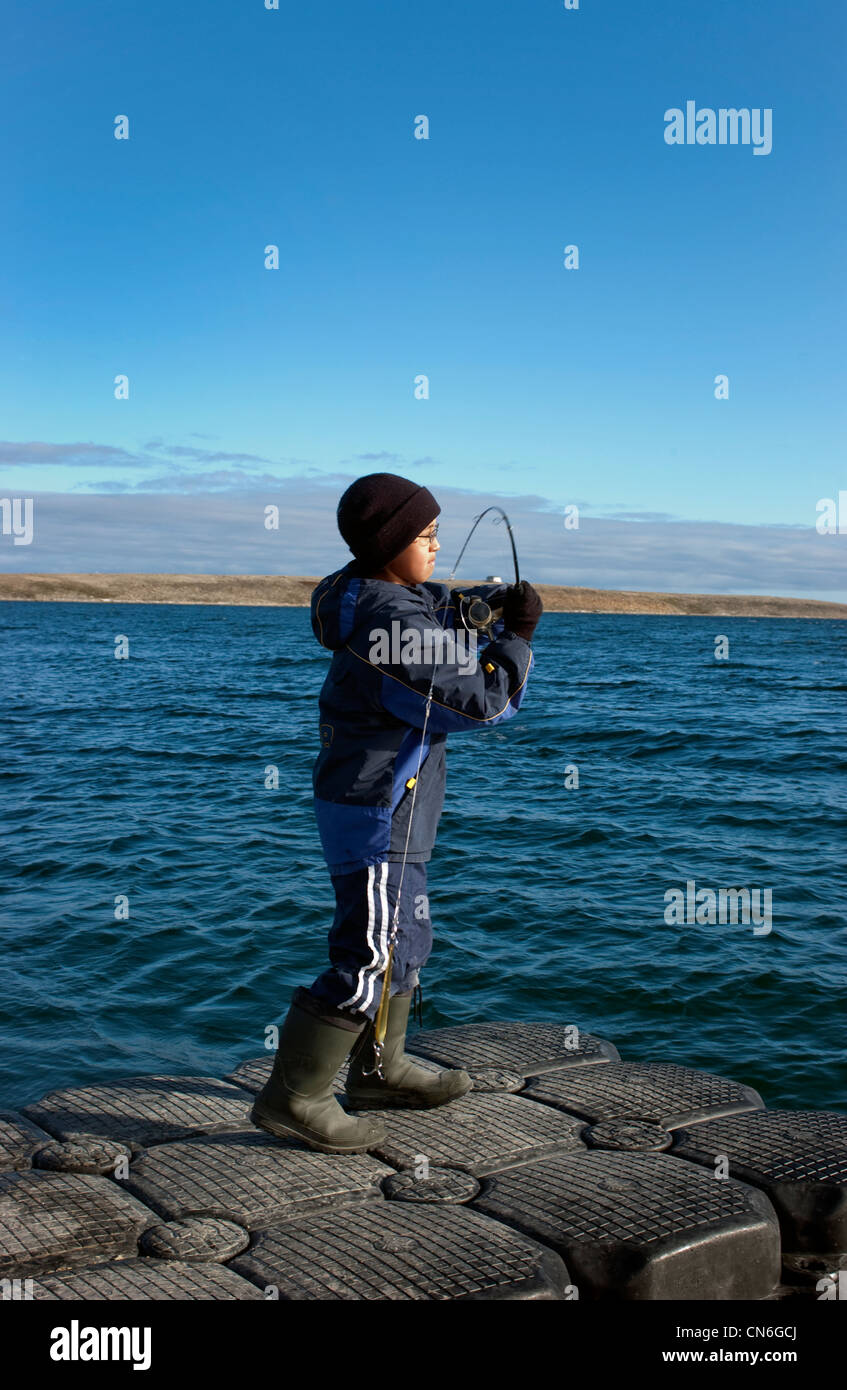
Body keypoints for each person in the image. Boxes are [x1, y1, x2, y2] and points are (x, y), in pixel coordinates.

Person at [250, 472, 542, 1153]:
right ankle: (294, 1096)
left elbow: (423, 605)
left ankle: (381, 1070)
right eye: (426, 536)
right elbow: (479, 701)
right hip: (377, 812)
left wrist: (480, 604)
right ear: (388, 546)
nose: (437, 548)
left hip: (394, 809)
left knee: (404, 942)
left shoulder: (380, 598)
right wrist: (515, 639)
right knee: (367, 953)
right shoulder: (389, 622)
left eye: (439, 534)